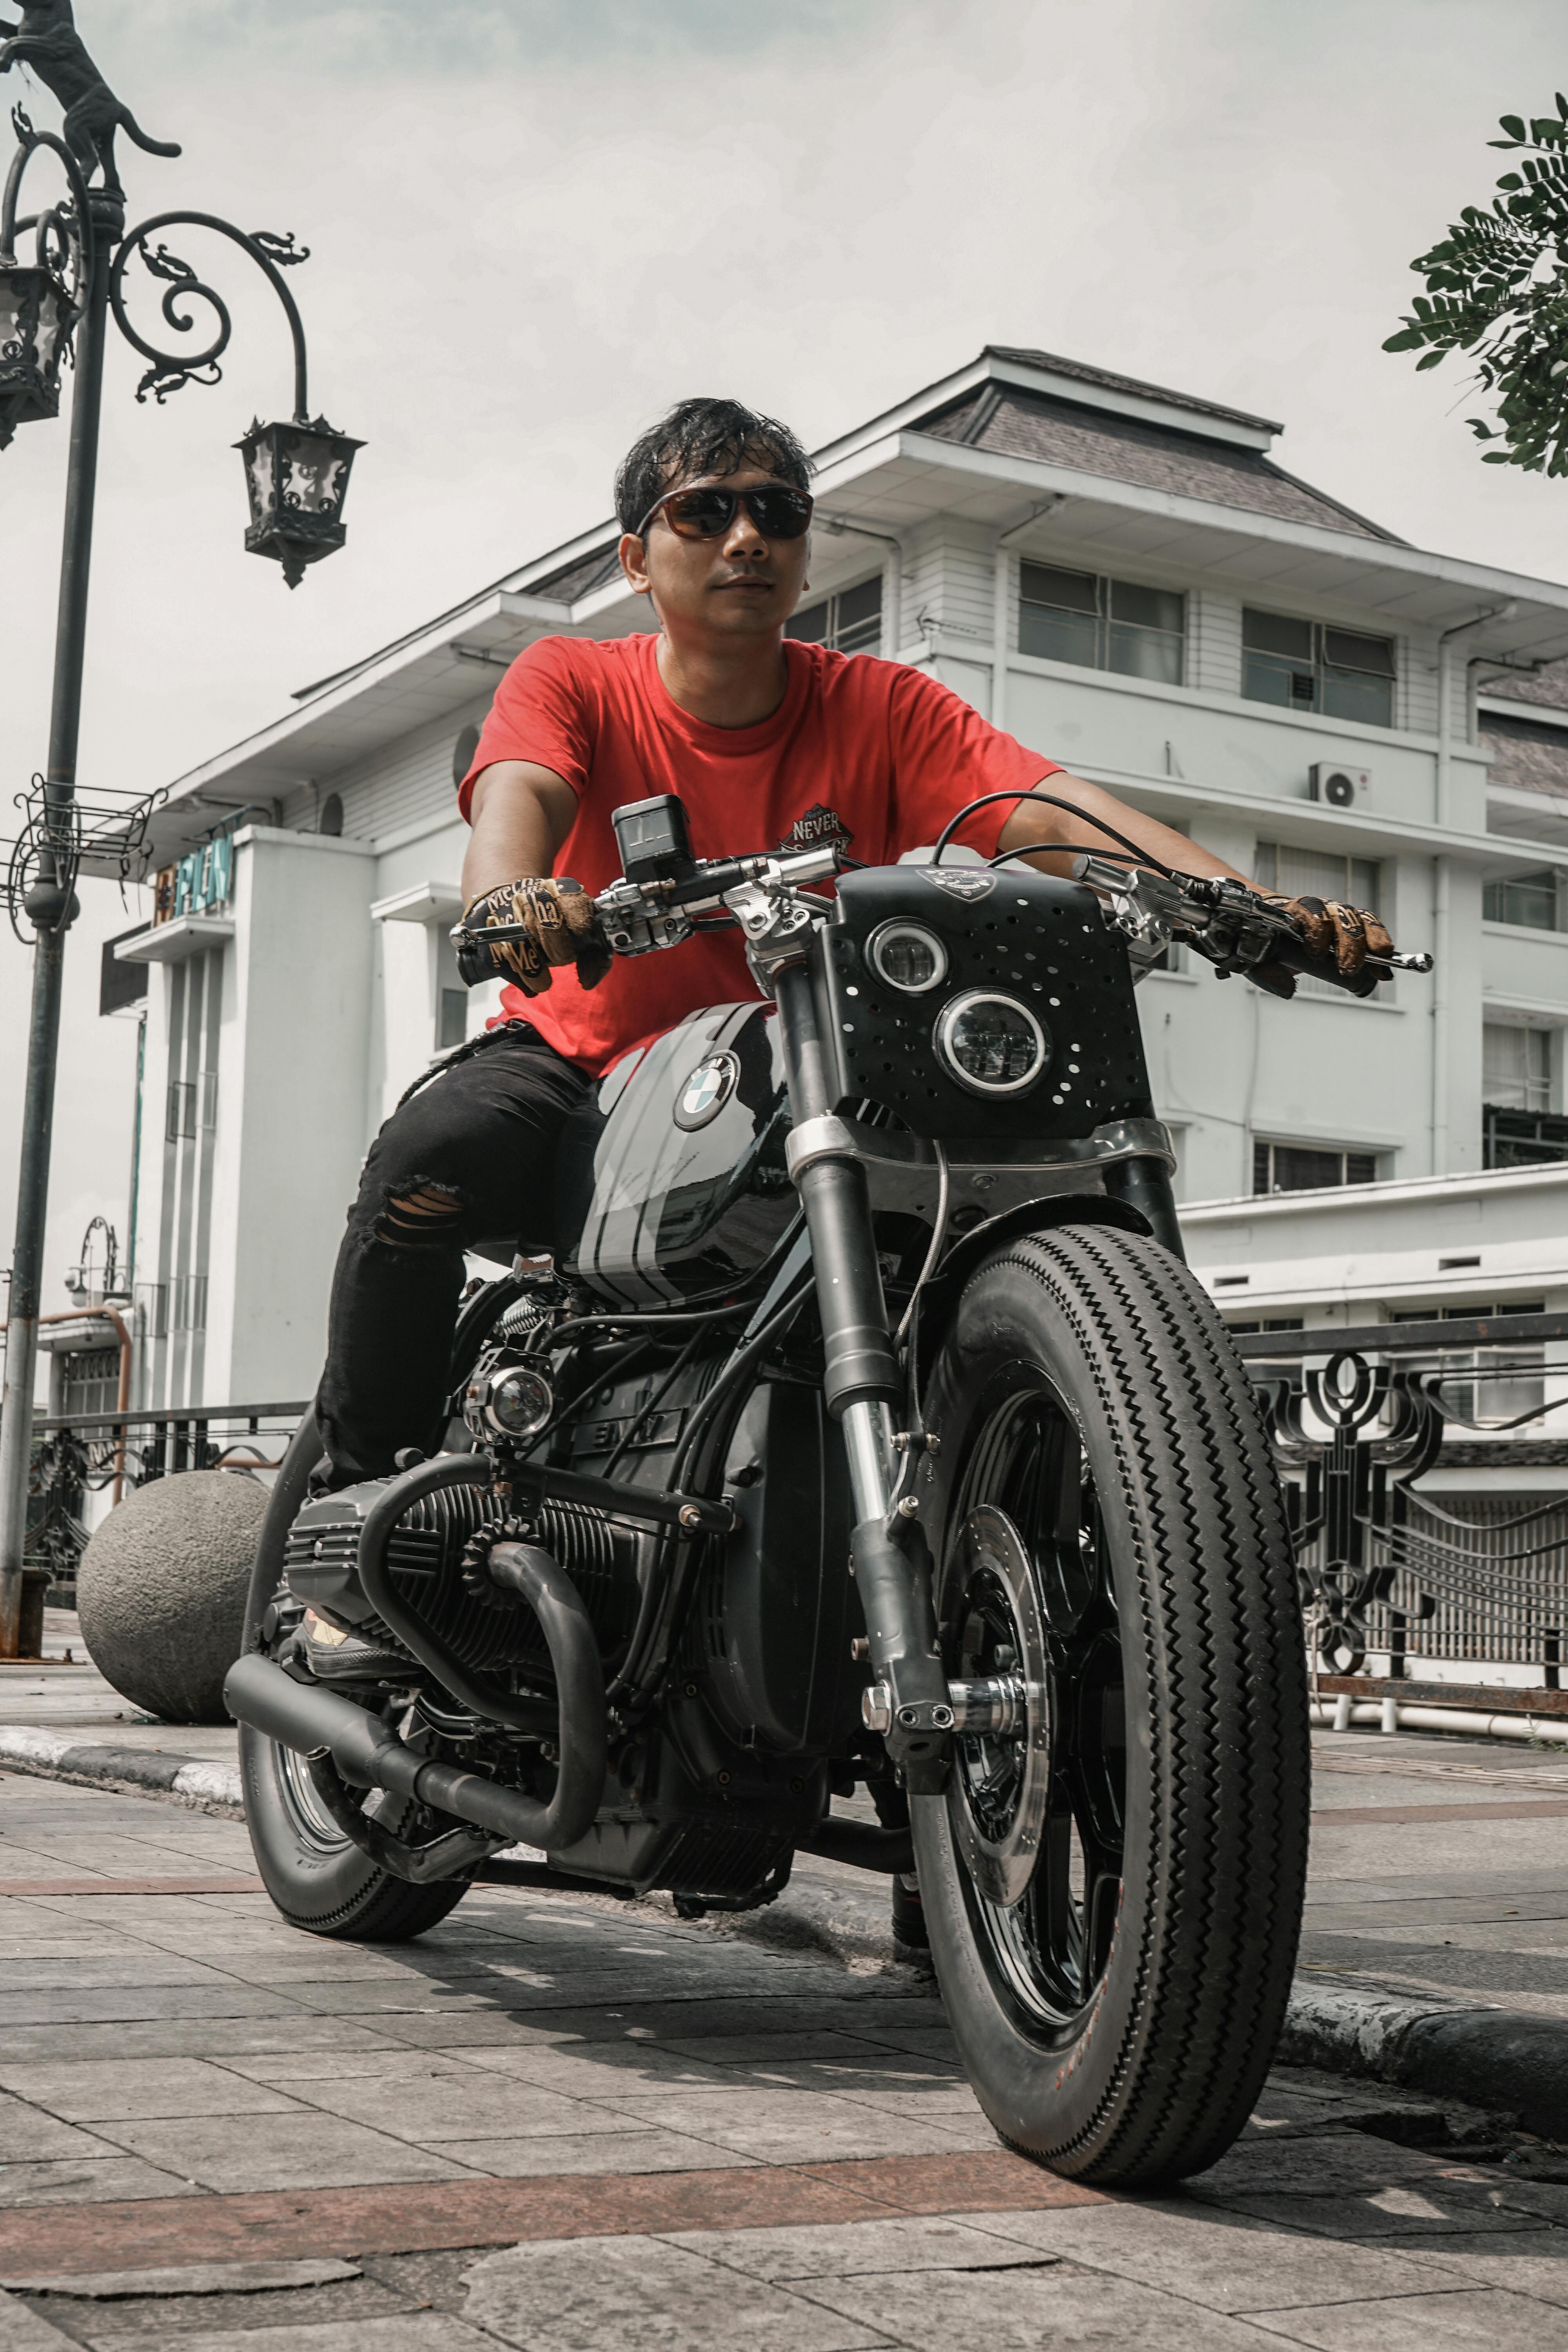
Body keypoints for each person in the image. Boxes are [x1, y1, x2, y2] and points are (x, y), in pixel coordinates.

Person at [313, 396, 1391, 1486]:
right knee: (426, 1161)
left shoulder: (885, 706)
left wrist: (1253, 910)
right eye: (707, 513)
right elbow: (518, 797)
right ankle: (351, 1507)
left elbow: (1050, 811)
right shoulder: (573, 680)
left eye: (778, 512)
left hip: (815, 1068)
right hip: (587, 1059)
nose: (748, 538)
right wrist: (511, 899)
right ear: (638, 558)